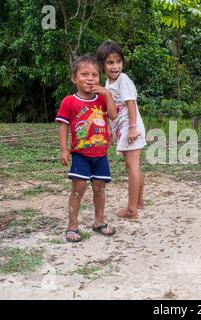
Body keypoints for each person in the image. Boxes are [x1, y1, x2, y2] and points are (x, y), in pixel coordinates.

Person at [56, 55, 118, 242]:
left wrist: (107, 94)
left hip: (100, 154)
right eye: (84, 74)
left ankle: (99, 222)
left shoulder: (101, 99)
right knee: (78, 189)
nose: (90, 78)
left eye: (94, 74)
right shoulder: (69, 101)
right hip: (81, 155)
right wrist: (64, 149)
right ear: (74, 78)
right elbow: (63, 125)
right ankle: (72, 226)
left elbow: (113, 115)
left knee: (99, 189)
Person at [96, 41, 146, 220]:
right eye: (110, 62)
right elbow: (113, 110)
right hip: (124, 128)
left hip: (131, 128)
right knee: (133, 166)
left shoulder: (123, 80)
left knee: (131, 166)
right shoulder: (109, 83)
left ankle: (132, 210)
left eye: (118, 61)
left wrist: (132, 129)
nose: (115, 66)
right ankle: (139, 202)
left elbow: (131, 103)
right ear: (102, 65)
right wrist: (109, 129)